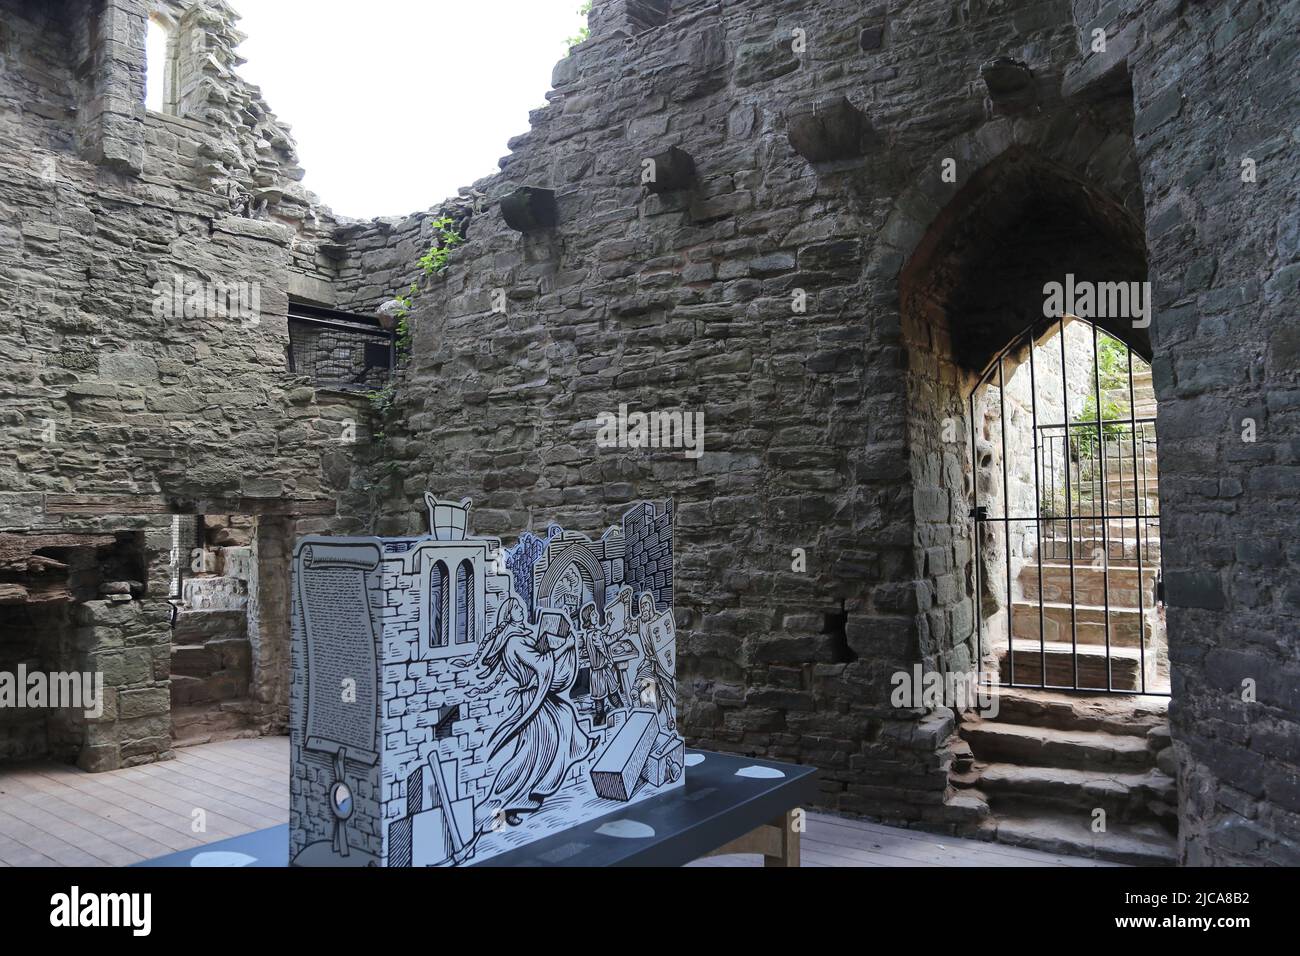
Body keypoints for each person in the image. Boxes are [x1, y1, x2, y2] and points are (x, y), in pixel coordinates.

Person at [474, 598, 596, 829]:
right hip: (532, 698)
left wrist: (555, 640)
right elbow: (541, 663)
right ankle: (506, 804)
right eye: (516, 608)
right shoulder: (513, 641)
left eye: (521, 607)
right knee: (531, 754)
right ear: (508, 614)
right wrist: (566, 645)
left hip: (539, 697)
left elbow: (541, 652)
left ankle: (571, 755)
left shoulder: (520, 635)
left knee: (565, 715)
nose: (521, 610)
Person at [634, 593, 676, 733]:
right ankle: (651, 721)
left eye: (646, 604)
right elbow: (627, 625)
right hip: (648, 661)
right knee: (646, 688)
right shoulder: (640, 621)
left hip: (660, 662)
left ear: (651, 605)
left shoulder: (658, 620)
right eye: (641, 605)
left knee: (665, 692)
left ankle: (670, 717)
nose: (643, 608)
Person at [578, 603, 624, 727]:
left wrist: (608, 624)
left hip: (595, 673)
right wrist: (623, 631)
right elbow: (607, 640)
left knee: (599, 700)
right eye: (593, 614)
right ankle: (623, 713)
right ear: (588, 618)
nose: (596, 615)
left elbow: (601, 633)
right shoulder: (596, 635)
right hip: (603, 672)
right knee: (613, 695)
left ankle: (599, 722)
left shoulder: (589, 633)